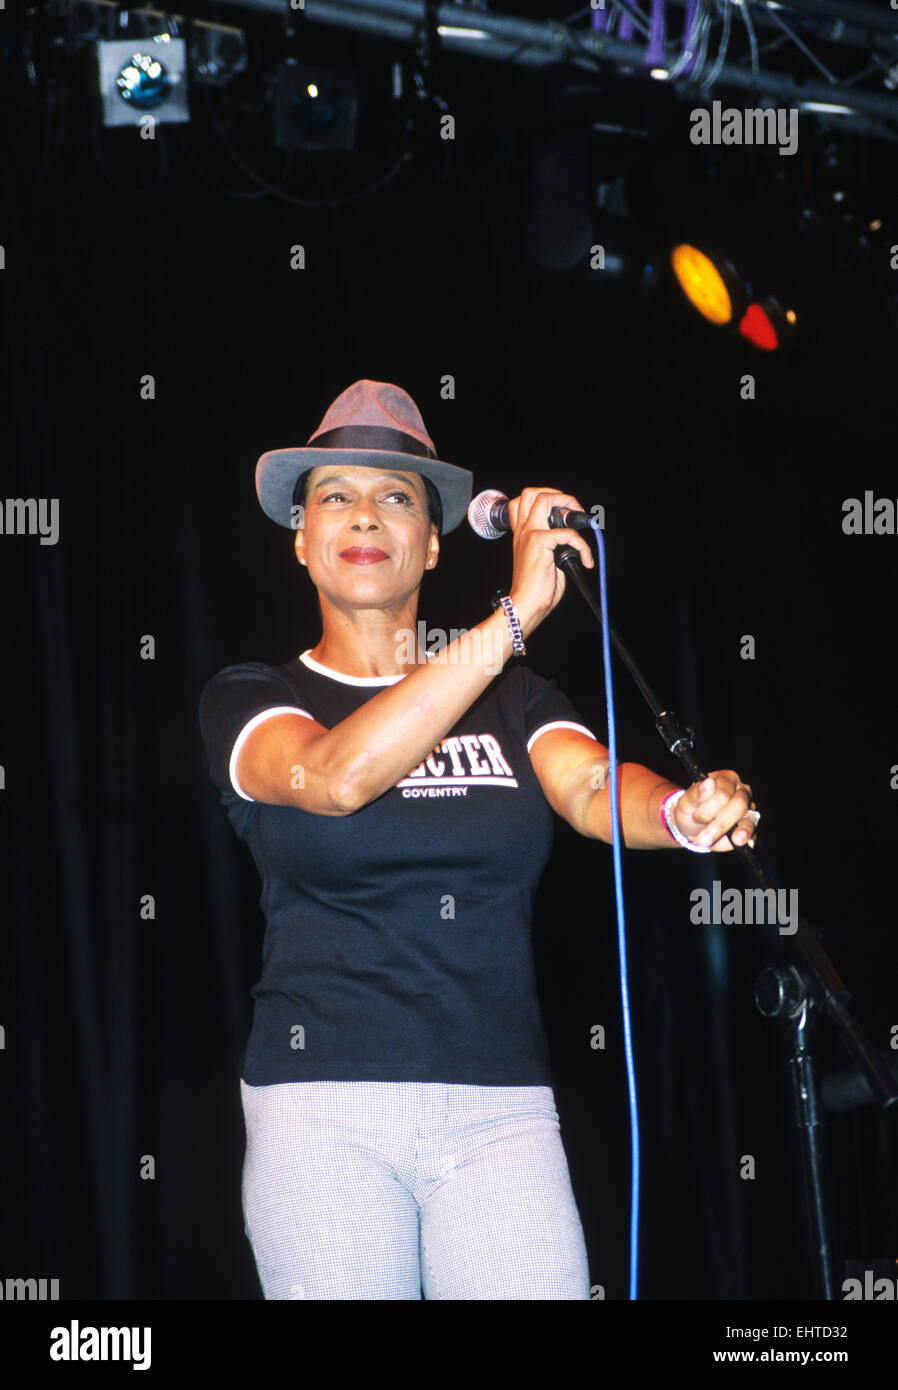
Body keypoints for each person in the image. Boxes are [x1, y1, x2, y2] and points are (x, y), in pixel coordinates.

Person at [198, 379, 759, 1301]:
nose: (366, 514)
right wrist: (511, 620)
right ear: (301, 539)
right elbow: (338, 778)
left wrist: (677, 812)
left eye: (397, 497)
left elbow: (587, 784)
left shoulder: (512, 695)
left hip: (501, 1108)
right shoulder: (252, 696)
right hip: (322, 1103)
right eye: (336, 494)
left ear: (431, 541)